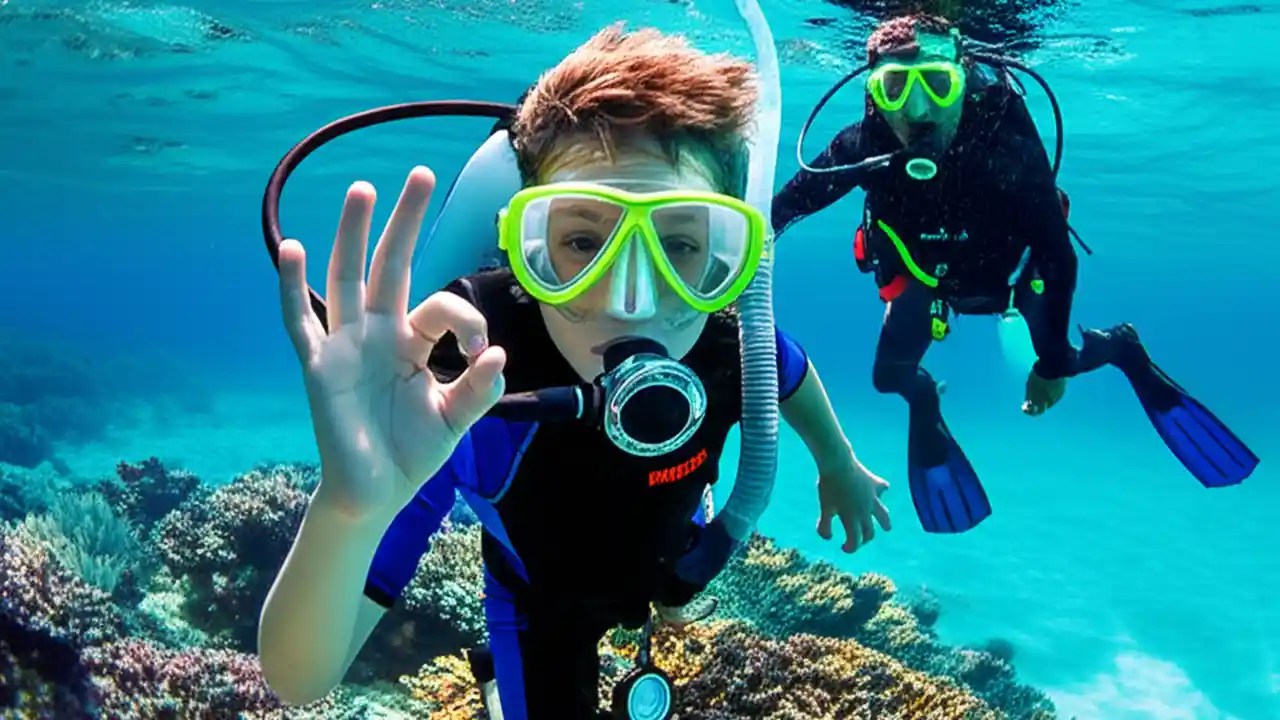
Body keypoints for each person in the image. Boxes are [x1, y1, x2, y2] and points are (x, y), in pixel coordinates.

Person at [257, 21, 891, 720]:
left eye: (679, 243)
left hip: (666, 557)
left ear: (729, 256)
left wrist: (839, 461)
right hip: (539, 603)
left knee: (674, 590)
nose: (630, 299)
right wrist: (347, 512)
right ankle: (502, 677)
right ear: (524, 251)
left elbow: (788, 369)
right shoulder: (468, 386)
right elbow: (301, 678)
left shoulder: (728, 343)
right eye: (583, 241)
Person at [771, 13, 1259, 534]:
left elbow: (1056, 254)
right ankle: (926, 398)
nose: (918, 111)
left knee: (1064, 360)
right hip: (930, 282)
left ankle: (1120, 348)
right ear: (873, 95)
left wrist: (1050, 365)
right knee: (889, 378)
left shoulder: (1006, 143)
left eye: (938, 85)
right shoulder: (863, 147)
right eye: (895, 89)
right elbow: (779, 211)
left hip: (1014, 278)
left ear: (963, 82)